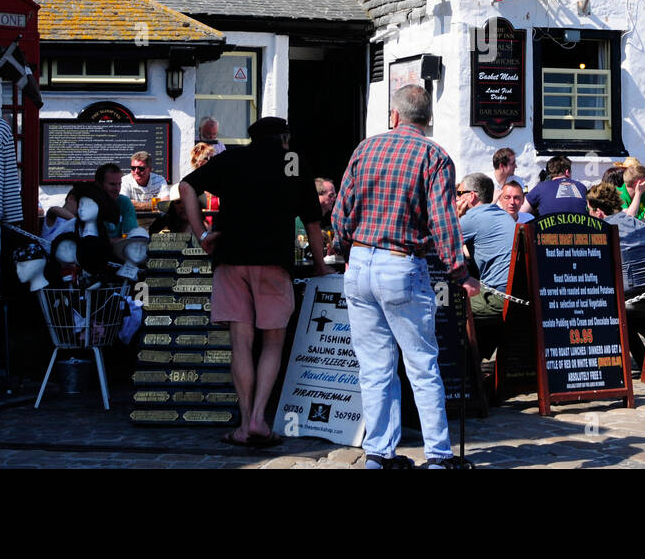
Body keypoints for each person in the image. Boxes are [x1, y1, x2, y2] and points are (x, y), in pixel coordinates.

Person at [332, 85, 479, 469]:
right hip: (400, 264)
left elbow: (340, 213)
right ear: (427, 120)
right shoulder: (434, 156)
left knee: (375, 367)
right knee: (421, 365)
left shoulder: (365, 149)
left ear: (394, 115)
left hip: (360, 262)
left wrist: (347, 249)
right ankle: (438, 456)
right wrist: (460, 272)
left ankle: (378, 455)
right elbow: (443, 222)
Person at [180, 116, 325, 448]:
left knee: (241, 343)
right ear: (284, 138)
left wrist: (202, 232)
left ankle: (245, 425)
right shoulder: (293, 162)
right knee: (273, 342)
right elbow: (312, 222)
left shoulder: (232, 157)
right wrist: (319, 265)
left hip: (231, 257)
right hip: (274, 259)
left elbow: (187, 186)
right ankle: (260, 419)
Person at [457, 173, 519, 324]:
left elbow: (439, 243)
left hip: (499, 296)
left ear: (471, 196)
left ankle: (468, 347)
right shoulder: (503, 215)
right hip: (520, 293)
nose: (457, 198)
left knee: (450, 302)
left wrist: (458, 217)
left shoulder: (472, 218)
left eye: (459, 193)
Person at [586, 182, 645, 294]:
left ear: (599, 212)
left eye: (589, 209)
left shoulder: (603, 231)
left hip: (623, 293)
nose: (589, 213)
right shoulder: (641, 225)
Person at [521, 155, 589, 217]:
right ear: (567, 172)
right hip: (579, 229)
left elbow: (522, 212)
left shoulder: (540, 187)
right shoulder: (582, 187)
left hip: (550, 229)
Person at [94, 163, 138, 237]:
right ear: (99, 185)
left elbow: (130, 235)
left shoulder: (124, 202)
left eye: (119, 184)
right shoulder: (88, 203)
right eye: (112, 184)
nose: (117, 189)